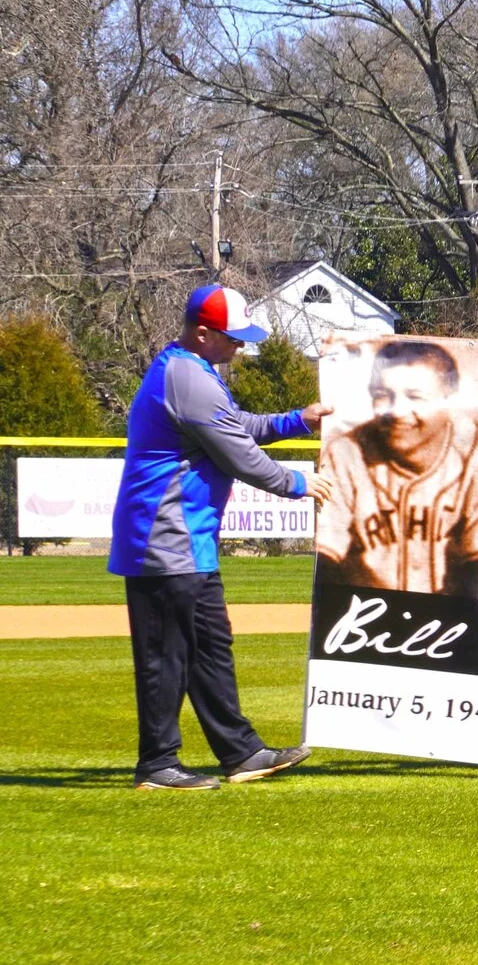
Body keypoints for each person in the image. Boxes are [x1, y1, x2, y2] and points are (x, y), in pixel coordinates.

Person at [108, 285, 335, 790]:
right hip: (162, 538)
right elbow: (238, 453)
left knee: (210, 647)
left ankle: (240, 752)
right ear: (203, 333)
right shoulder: (188, 377)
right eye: (234, 338)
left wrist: (297, 420)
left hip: (189, 541)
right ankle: (158, 764)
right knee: (166, 654)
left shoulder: (195, 371)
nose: (241, 347)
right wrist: (297, 483)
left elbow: (236, 425)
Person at [315, 338, 478, 596]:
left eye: (415, 397)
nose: (396, 410)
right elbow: (328, 561)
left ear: (449, 399)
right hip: (370, 618)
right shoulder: (347, 452)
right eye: (382, 396)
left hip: (456, 620)